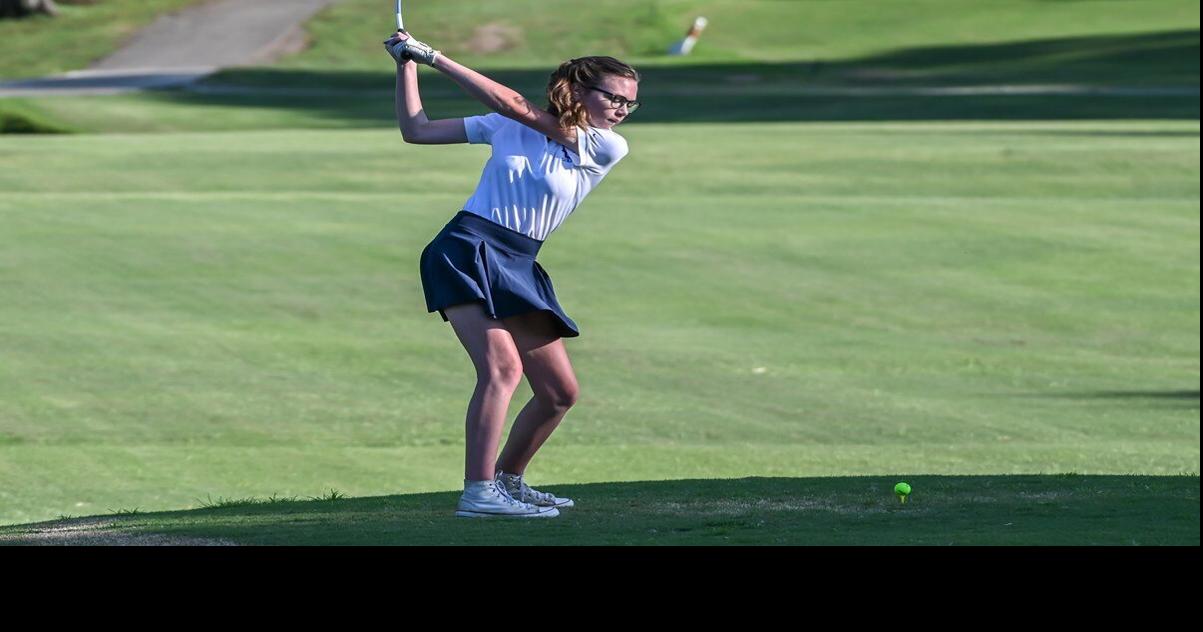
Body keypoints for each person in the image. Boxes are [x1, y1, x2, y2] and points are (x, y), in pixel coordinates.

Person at [383, 31, 641, 518]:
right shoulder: (503, 125)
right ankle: (479, 493)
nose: (623, 108)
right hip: (466, 249)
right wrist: (407, 64)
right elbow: (416, 130)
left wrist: (434, 55)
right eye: (613, 96)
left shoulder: (605, 145)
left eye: (631, 101)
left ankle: (507, 481)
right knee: (502, 370)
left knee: (559, 393)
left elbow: (516, 106)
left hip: (518, 261)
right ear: (579, 89)